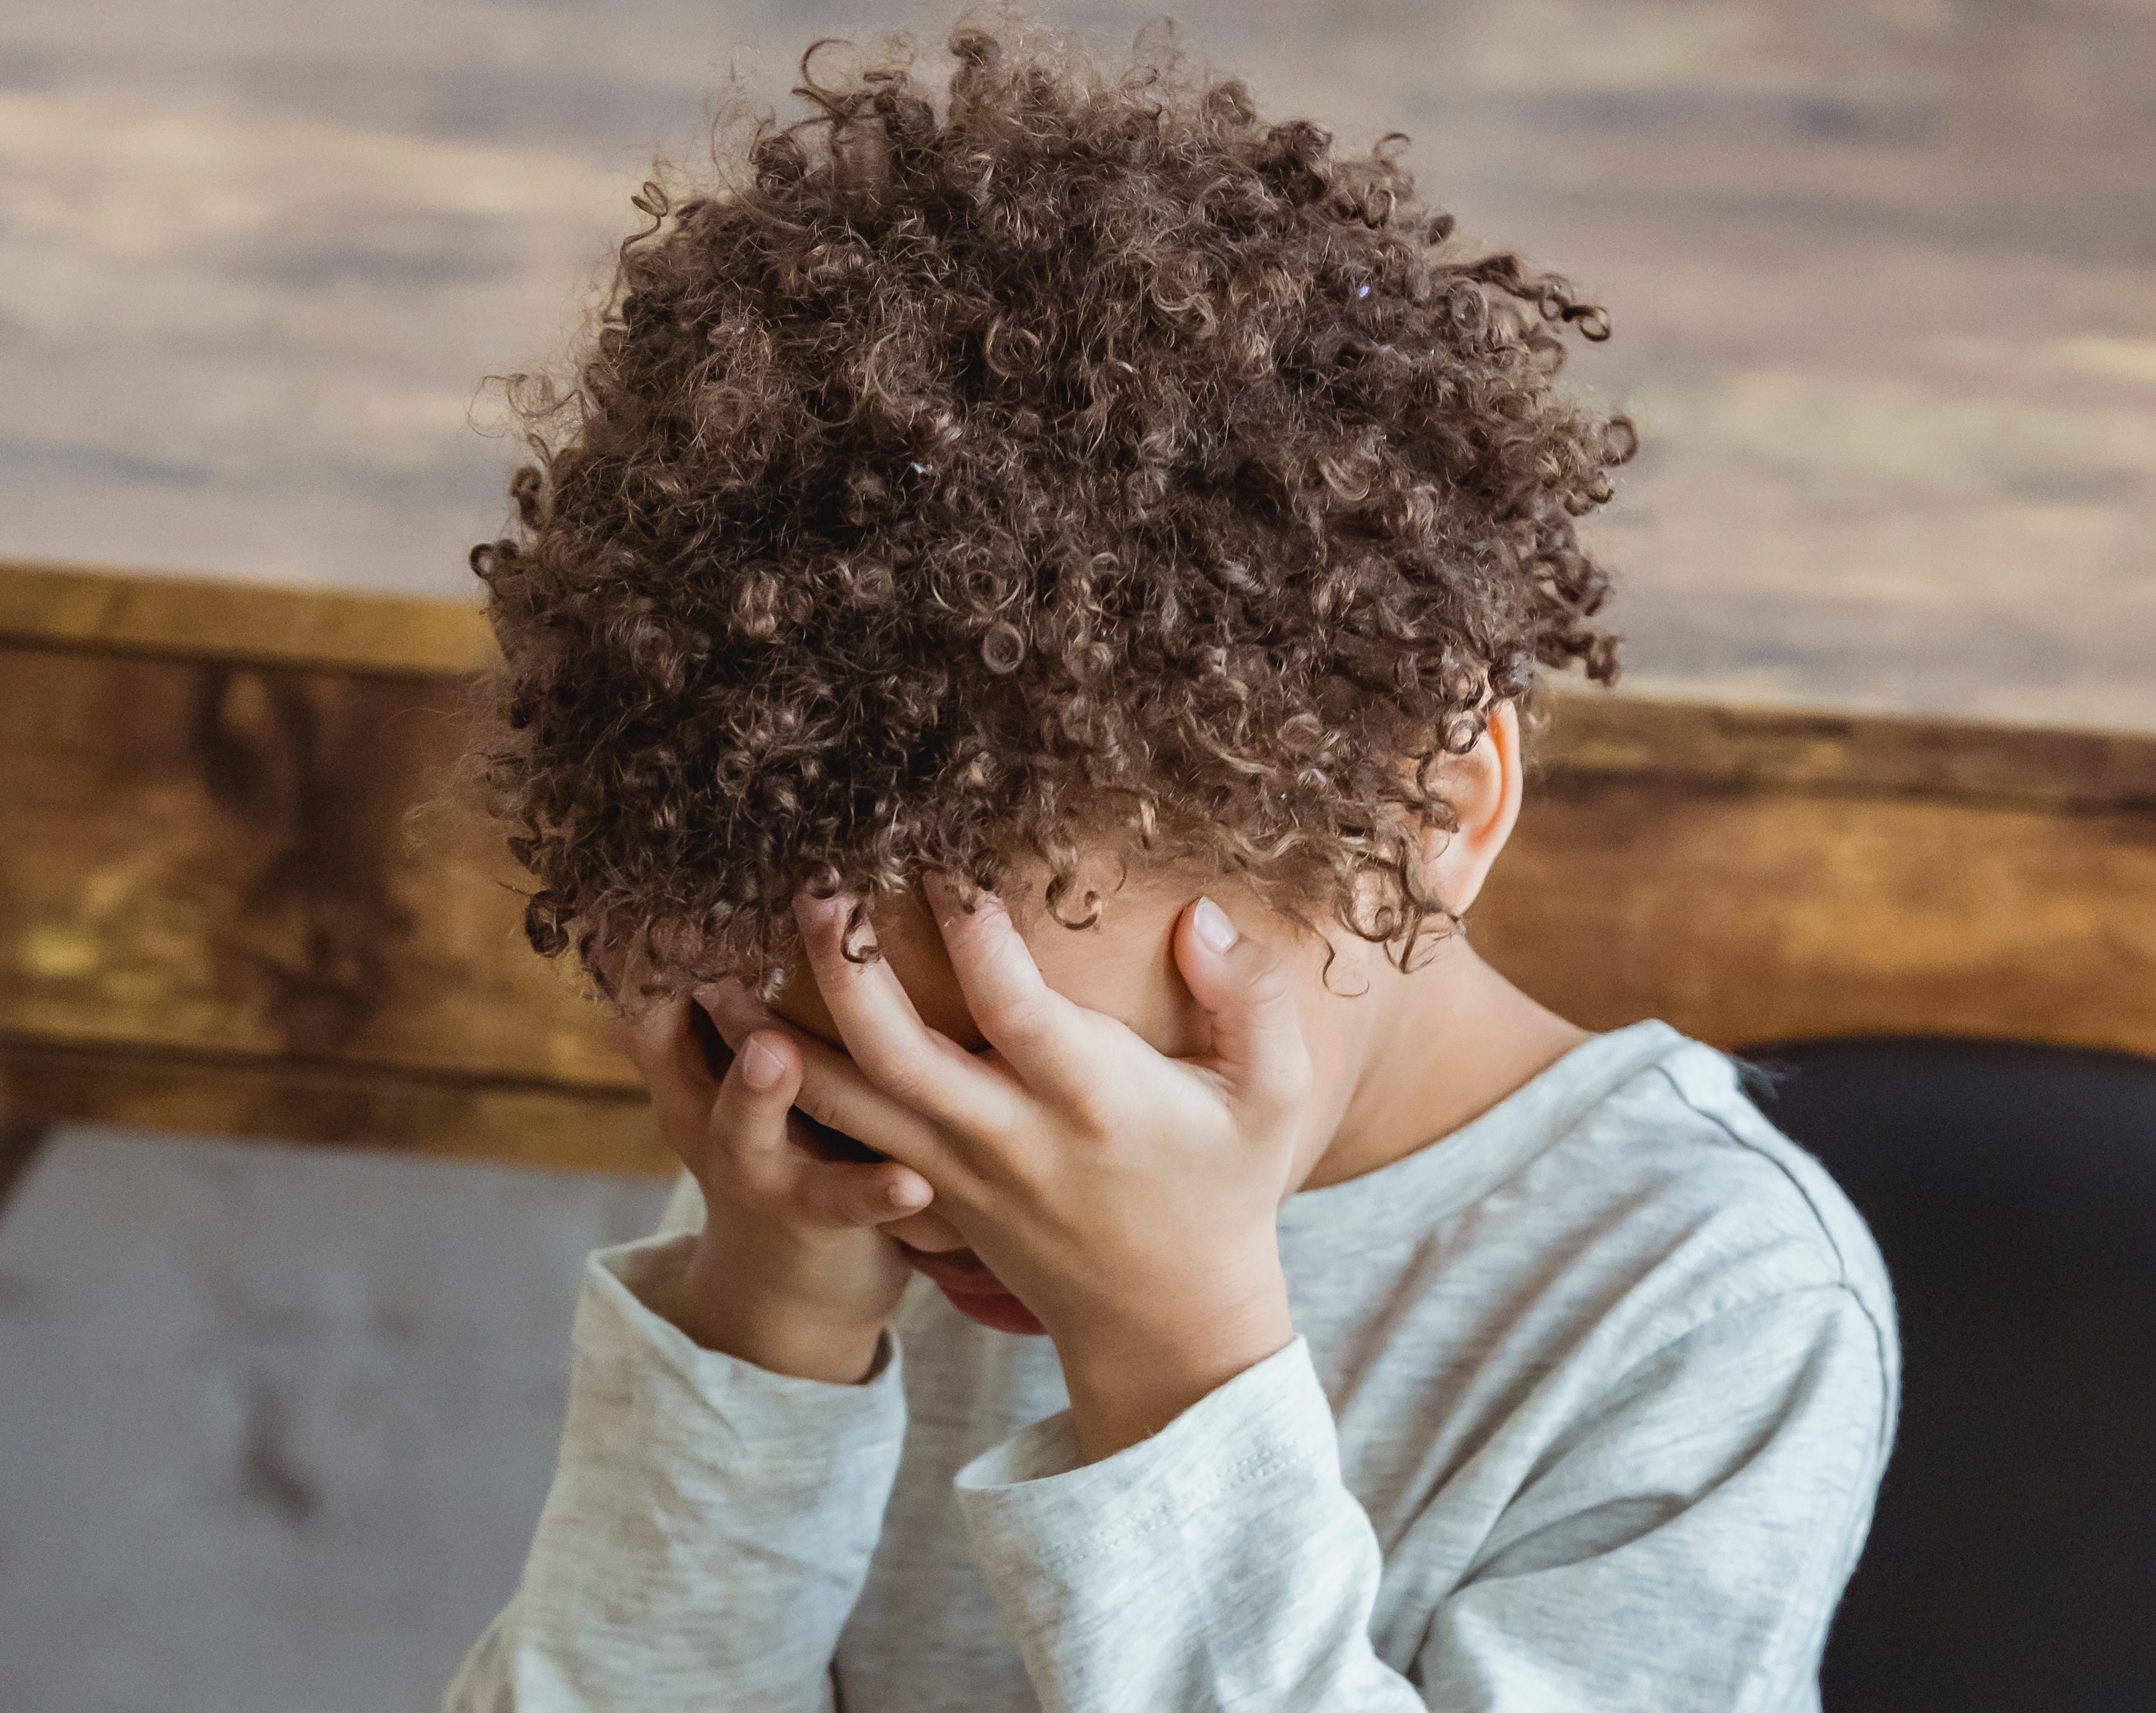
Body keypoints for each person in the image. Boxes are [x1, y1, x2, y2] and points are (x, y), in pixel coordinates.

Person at [447, 16, 1895, 1710]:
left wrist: (1176, 1363)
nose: (941, 1178)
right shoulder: (835, 1180)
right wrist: (763, 1328)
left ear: (1429, 816)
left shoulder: (1698, 1311)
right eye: (861, 1080)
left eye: (1054, 1084)